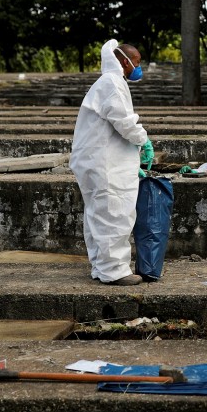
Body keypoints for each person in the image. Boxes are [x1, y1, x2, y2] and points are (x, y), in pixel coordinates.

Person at [70, 39, 152, 286]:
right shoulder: (112, 83)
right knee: (114, 214)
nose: (138, 67)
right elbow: (124, 122)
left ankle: (101, 266)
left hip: (98, 160)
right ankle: (114, 271)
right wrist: (143, 140)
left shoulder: (108, 82)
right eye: (136, 62)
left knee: (98, 215)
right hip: (105, 164)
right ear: (124, 61)